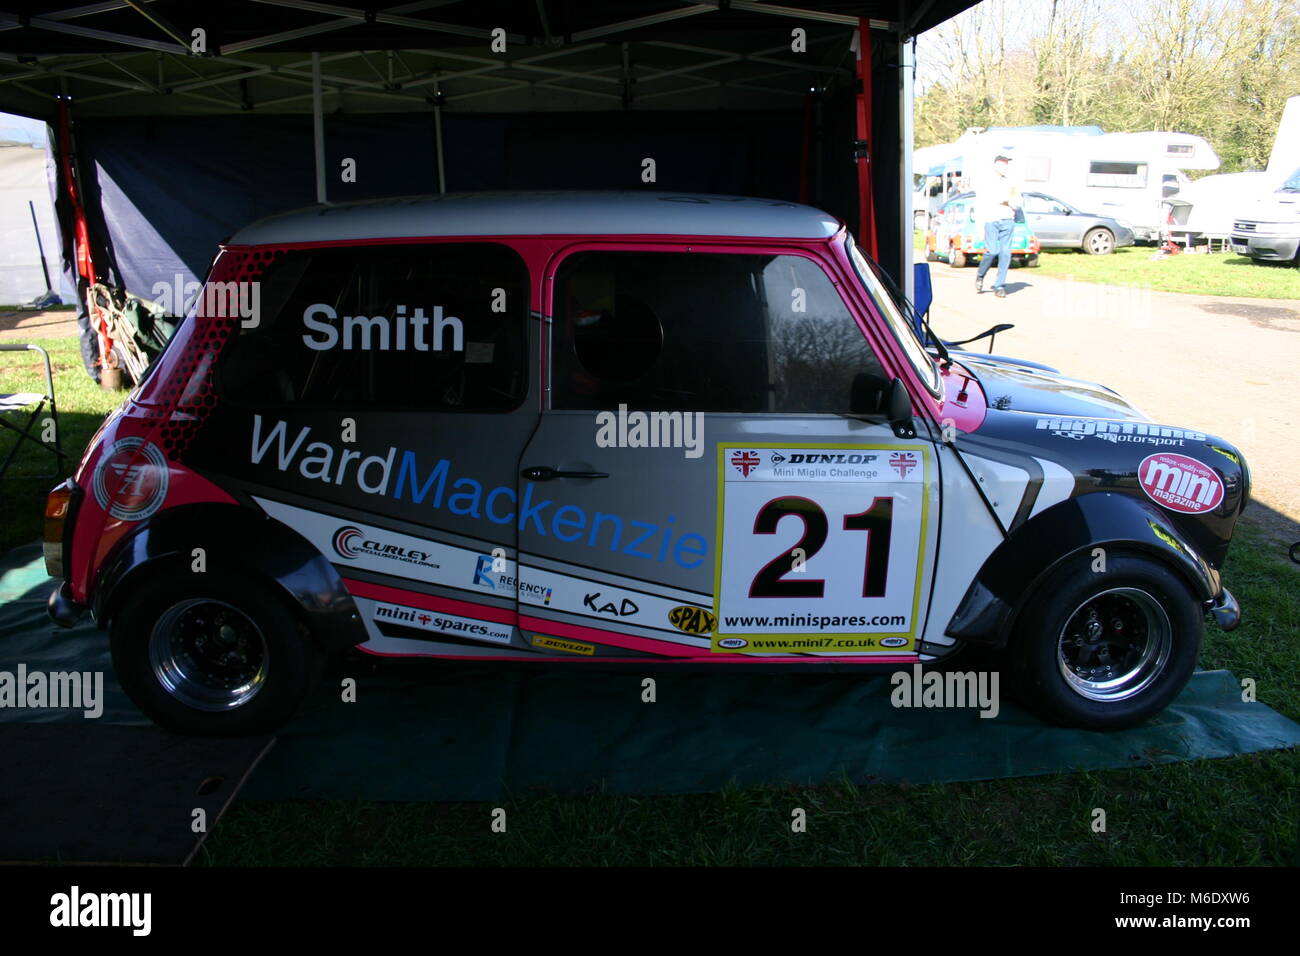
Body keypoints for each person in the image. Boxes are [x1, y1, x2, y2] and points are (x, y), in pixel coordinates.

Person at [974, 155, 1020, 298]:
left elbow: (1018, 202)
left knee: (1005, 253)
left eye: (1006, 165)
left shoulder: (1011, 183)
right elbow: (980, 205)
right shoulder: (986, 183)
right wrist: (979, 226)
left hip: (1007, 220)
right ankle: (980, 275)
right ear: (995, 166)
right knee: (992, 251)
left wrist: (1009, 202)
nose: (1005, 167)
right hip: (991, 220)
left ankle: (999, 285)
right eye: (1002, 164)